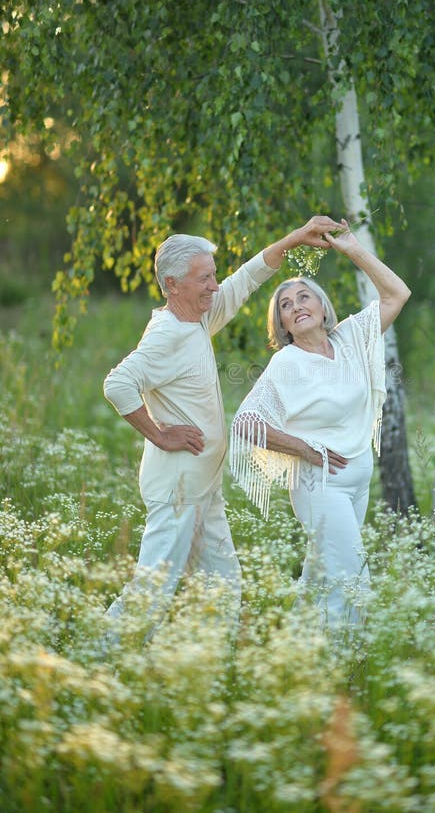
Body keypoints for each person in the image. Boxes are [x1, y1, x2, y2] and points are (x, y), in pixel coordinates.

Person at [102, 215, 342, 635]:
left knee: (224, 591)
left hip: (203, 488)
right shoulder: (167, 334)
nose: (215, 286)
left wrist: (297, 236)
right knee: (152, 591)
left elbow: (245, 280)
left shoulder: (197, 317)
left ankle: (207, 671)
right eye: (204, 279)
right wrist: (159, 434)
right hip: (178, 490)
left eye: (213, 275)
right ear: (173, 285)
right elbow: (118, 384)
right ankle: (97, 660)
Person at [230, 219, 411, 628]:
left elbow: (398, 293)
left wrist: (352, 249)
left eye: (302, 296)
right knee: (352, 580)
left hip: (356, 482)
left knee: (319, 577)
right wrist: (304, 450)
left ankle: (294, 650)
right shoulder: (287, 362)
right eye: (286, 305)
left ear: (321, 306)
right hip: (319, 485)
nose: (296, 306)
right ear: (283, 325)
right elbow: (246, 421)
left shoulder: (350, 339)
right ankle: (351, 664)